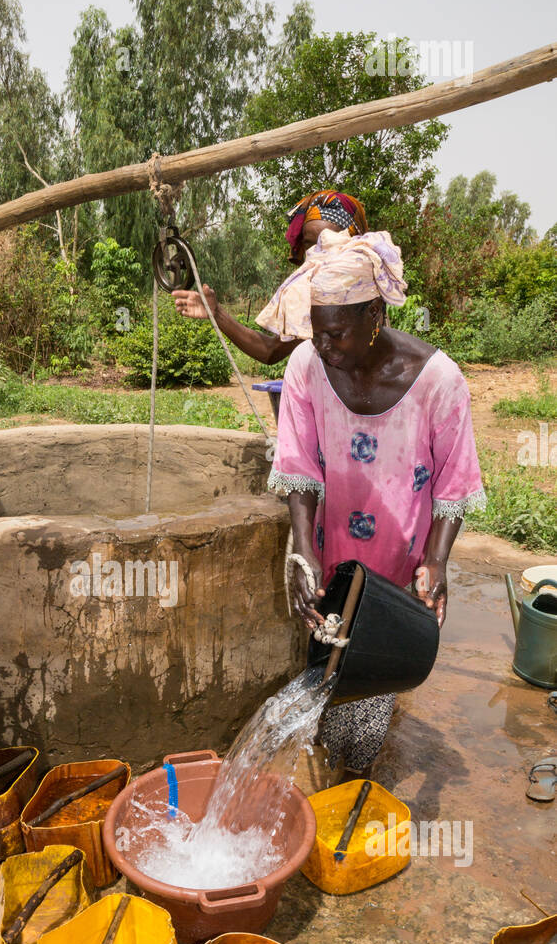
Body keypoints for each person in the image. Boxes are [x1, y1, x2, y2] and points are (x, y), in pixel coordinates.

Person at [264, 228, 485, 775]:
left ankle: (353, 774)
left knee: (370, 676)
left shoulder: (438, 381)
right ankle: (334, 766)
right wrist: (301, 549)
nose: (324, 347)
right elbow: (298, 464)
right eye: (317, 334)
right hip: (330, 551)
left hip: (397, 563)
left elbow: (454, 485)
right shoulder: (306, 369)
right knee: (327, 657)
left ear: (375, 317)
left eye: (336, 334)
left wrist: (435, 562)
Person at [172, 190, 369, 381]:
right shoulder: (309, 305)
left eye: (330, 244)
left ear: (354, 246)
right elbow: (270, 351)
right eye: (310, 245)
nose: (319, 254)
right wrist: (217, 313)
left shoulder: (372, 297)